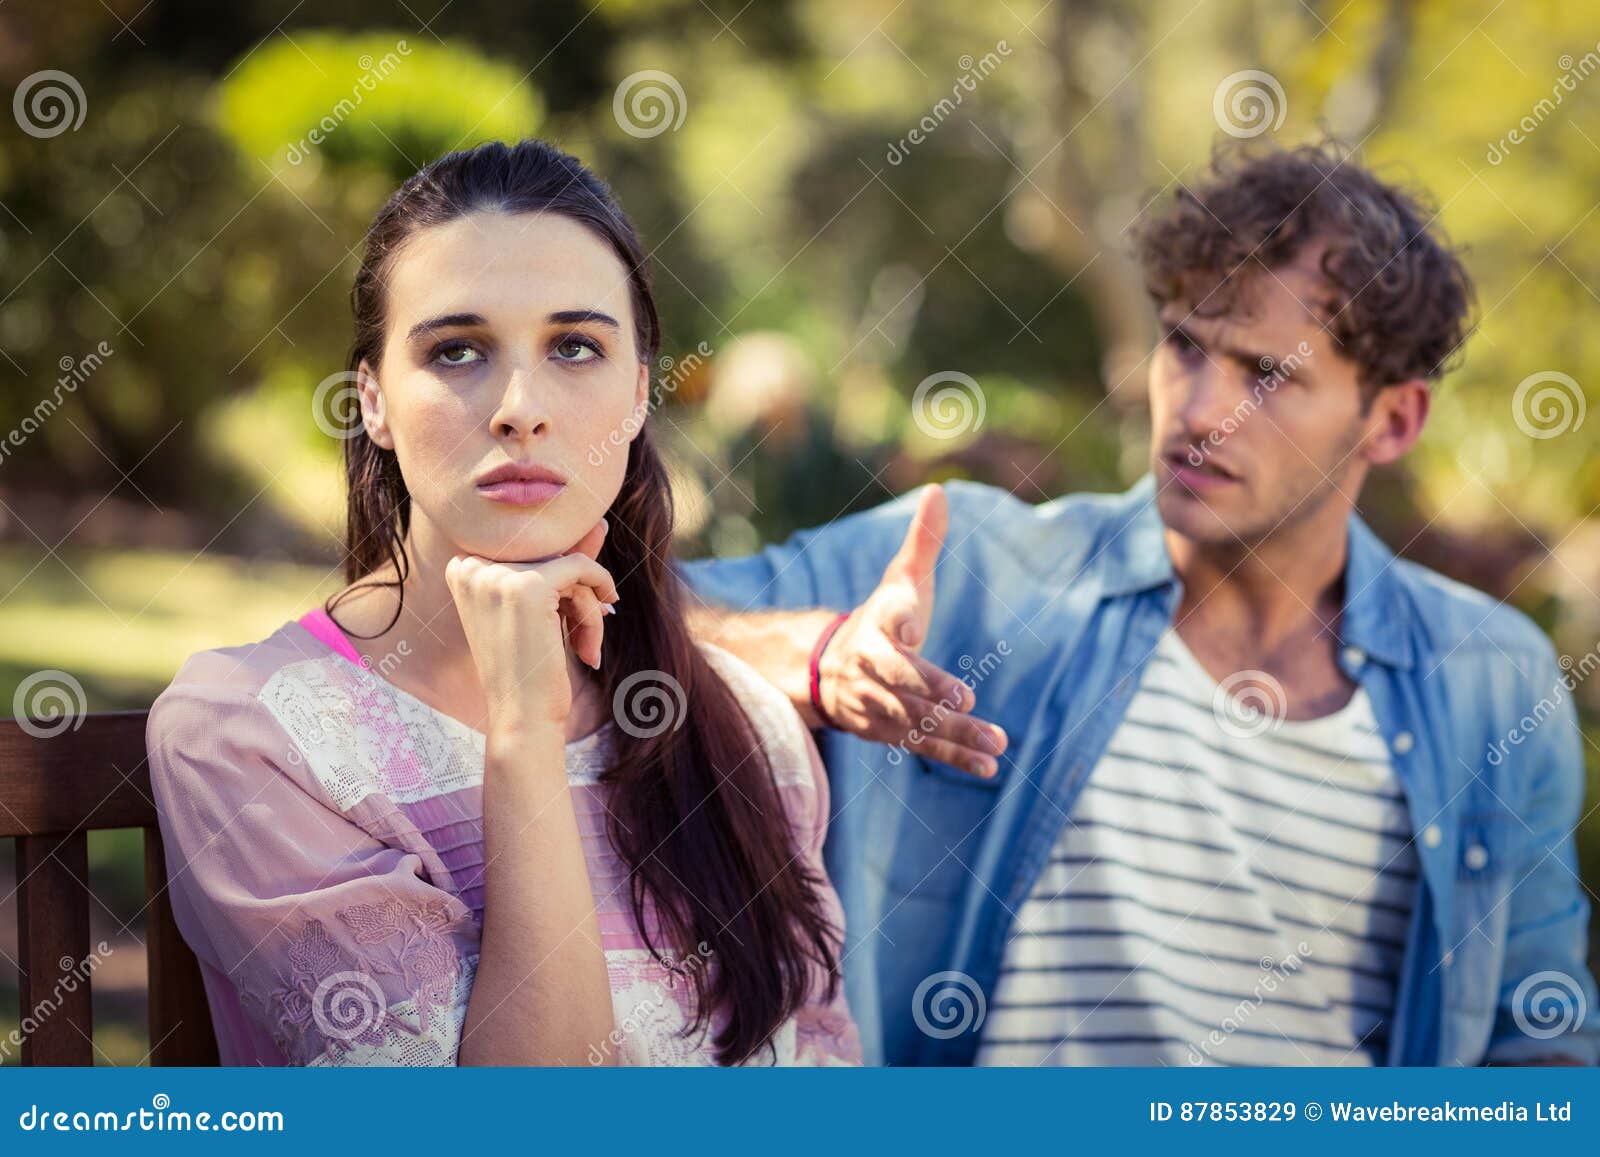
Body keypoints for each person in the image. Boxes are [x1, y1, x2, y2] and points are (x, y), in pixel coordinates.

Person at [680, 141, 1599, 1067]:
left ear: (1393, 420)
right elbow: (636, 613)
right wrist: (813, 650)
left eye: (1267, 375)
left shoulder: (1491, 678)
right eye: (1185, 344)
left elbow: (1539, 1048)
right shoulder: (971, 566)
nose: (1202, 410)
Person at [145, 139, 861, 1067]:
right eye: (457, 350)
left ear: (640, 391)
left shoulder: (746, 729)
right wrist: (523, 729)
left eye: (575, 346)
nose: (520, 405)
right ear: (373, 401)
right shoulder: (253, 737)